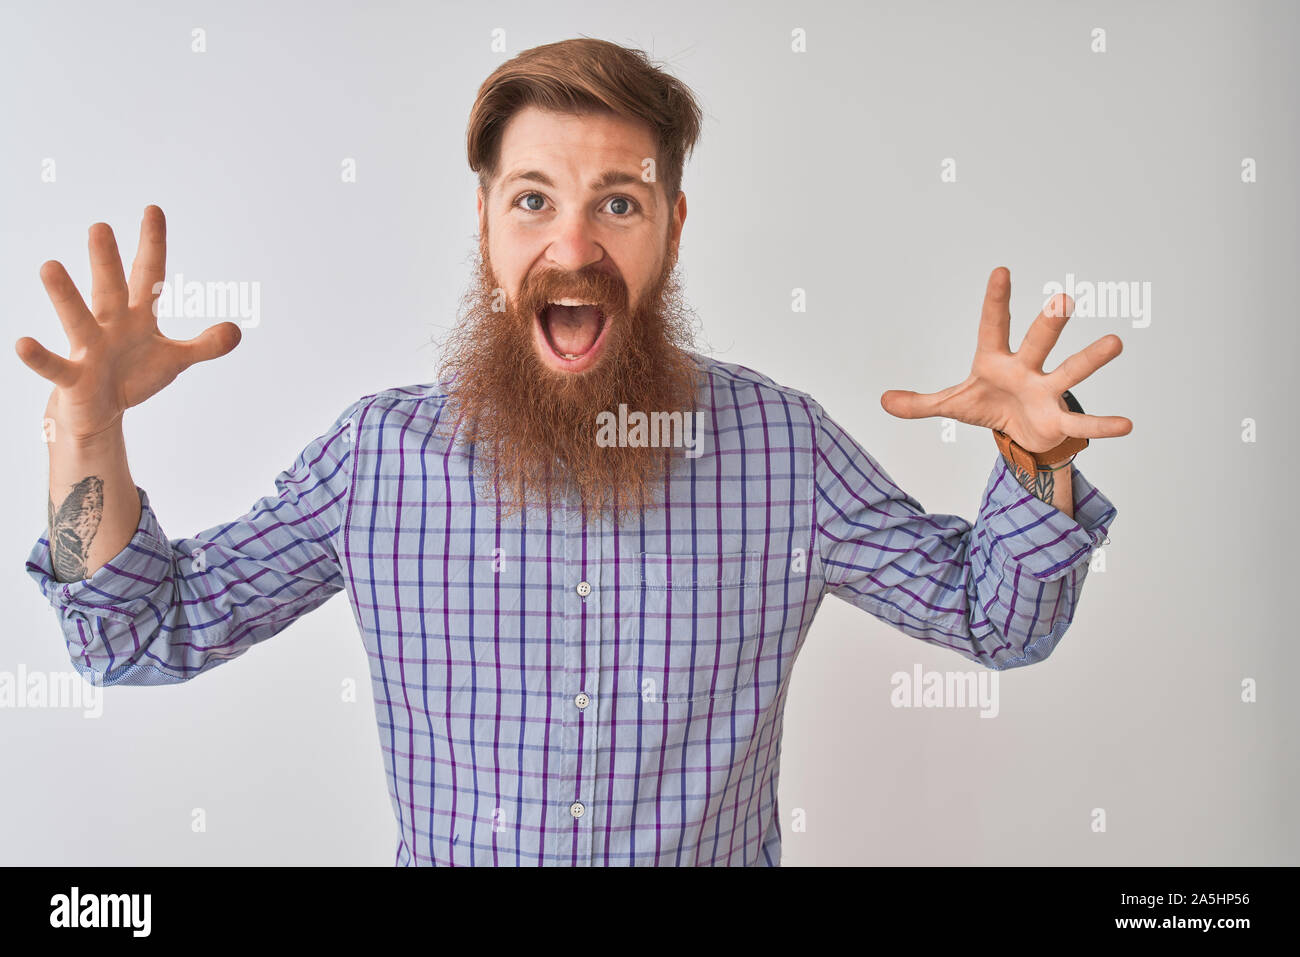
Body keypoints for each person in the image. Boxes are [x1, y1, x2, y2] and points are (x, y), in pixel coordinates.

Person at [18, 37, 1131, 866]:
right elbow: (137, 640)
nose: (573, 244)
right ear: (488, 224)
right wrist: (85, 431)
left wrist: (1035, 462)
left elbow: (998, 622)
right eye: (534, 199)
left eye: (619, 204)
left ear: (674, 230)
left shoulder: (783, 452)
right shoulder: (376, 461)